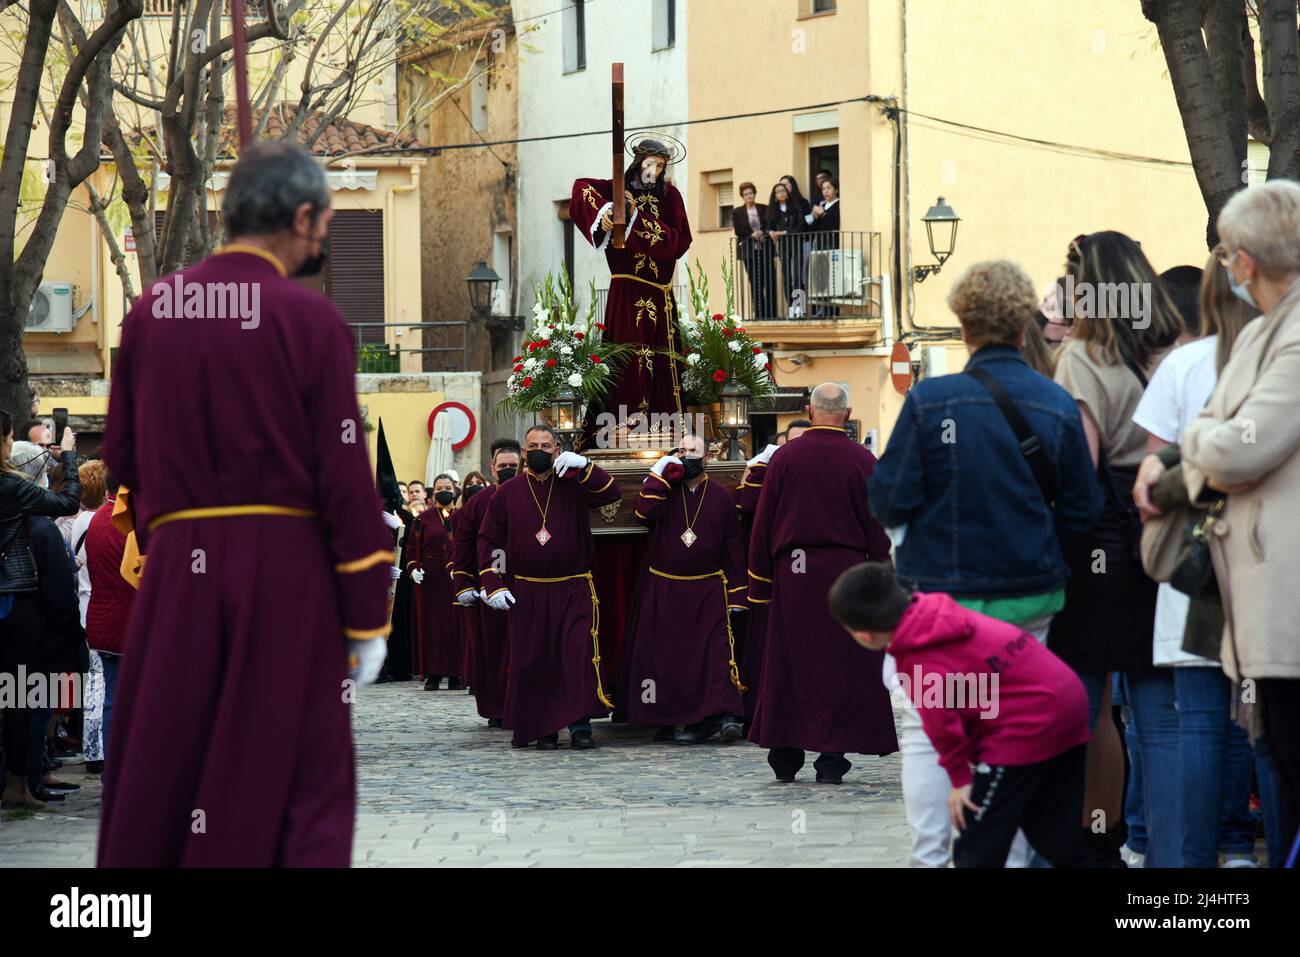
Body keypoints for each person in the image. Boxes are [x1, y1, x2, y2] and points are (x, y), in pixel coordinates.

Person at [96, 142, 393, 867]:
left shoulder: (150, 312)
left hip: (176, 584)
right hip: (284, 583)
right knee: (291, 772)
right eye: (323, 224)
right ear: (301, 217)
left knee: (168, 766)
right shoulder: (313, 321)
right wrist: (367, 615)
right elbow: (346, 483)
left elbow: (123, 464)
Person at [868, 260, 1102, 866]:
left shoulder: (929, 400)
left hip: (937, 603)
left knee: (927, 731)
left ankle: (933, 859)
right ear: (1026, 322)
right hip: (1028, 598)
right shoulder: (1053, 401)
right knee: (1017, 732)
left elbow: (888, 497)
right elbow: (1084, 510)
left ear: (963, 324)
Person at [1147, 180, 1300, 868]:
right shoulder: (1262, 331)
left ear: (1247, 260)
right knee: (1264, 739)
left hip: (1281, 586)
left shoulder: (1291, 334)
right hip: (1247, 583)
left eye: (1230, 252)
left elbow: (1244, 443)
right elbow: (1216, 430)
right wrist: (1208, 444)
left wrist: (1195, 453)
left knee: (1271, 744)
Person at [1048, 230, 1183, 866]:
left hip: (1101, 537)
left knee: (1078, 703)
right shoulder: (1175, 350)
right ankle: (1171, 859)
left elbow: (1082, 464)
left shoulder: (1082, 356)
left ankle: (1082, 848)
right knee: (1161, 717)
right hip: (1166, 531)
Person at [829, 563, 1094, 868]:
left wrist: (959, 780)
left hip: (1026, 728)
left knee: (976, 848)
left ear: (863, 636)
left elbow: (941, 725)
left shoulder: (916, 657)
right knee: (1053, 836)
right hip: (1068, 702)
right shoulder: (935, 611)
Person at [1131, 256, 1263, 868]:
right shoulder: (1278, 360)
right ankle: (1243, 848)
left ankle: (1188, 872)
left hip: (1196, 563)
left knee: (1202, 725)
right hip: (1268, 562)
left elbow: (1152, 483)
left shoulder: (1183, 365)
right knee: (1261, 727)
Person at [746, 382, 898, 783]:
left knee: (790, 661)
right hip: (845, 574)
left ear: (810, 412)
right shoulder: (863, 460)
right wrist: (881, 581)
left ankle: (785, 751)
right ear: (846, 415)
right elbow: (878, 527)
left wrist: (759, 584)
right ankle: (831, 755)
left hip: (792, 577)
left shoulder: (783, 458)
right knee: (838, 664)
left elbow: (763, 524)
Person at [477, 426, 621, 749]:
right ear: (525, 452)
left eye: (546, 445)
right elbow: (488, 540)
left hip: (572, 588)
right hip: (527, 591)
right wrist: (493, 583)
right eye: (533, 445)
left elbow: (612, 493)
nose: (539, 450)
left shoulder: (573, 485)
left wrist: (584, 465)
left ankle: (580, 724)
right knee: (535, 660)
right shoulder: (507, 492)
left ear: (557, 451)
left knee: (576, 654)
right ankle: (544, 728)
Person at [629, 434, 747, 744]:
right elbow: (643, 515)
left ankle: (708, 719)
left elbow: (733, 546)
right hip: (666, 586)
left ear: (707, 457)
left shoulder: (721, 495)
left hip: (708, 587)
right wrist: (658, 475)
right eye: (681, 451)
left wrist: (737, 593)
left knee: (708, 656)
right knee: (667, 657)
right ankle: (669, 719)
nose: (686, 456)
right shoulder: (665, 491)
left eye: (692, 452)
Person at [569, 138, 693, 426]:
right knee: (624, 360)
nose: (655, 170)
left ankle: (665, 427)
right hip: (625, 293)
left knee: (661, 364)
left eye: (661, 165)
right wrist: (606, 213)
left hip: (659, 296)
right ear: (638, 162)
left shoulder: (670, 197)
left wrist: (635, 217)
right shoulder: (615, 189)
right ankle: (618, 428)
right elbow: (580, 189)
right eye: (651, 163)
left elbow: (680, 241)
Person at [0, 423, 82, 809]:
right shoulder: (12, 490)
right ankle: (18, 784)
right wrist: (67, 455)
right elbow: (68, 502)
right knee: (17, 697)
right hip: (15, 601)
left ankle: (16, 783)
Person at [451, 439, 521, 728]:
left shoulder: (536, 497)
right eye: (502, 466)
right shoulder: (478, 503)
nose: (507, 470)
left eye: (512, 466)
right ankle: (497, 707)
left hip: (527, 583)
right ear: (492, 467)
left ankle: (526, 704)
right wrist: (465, 583)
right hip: (488, 586)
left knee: (525, 649)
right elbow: (463, 547)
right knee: (493, 649)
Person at [81, 472, 136, 782]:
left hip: (101, 620)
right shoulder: (127, 522)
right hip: (128, 622)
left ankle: (111, 773)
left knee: (112, 699)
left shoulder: (98, 519)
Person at [411, 473, 462, 691]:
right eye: (440, 487)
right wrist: (414, 567)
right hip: (432, 578)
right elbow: (413, 548)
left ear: (455, 489)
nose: (444, 490)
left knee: (455, 625)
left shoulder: (462, 515)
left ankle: (456, 674)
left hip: (455, 577)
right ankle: (433, 673)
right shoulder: (423, 518)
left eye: (448, 487)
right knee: (433, 626)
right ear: (433, 491)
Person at [766, 179, 810, 316]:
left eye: (783, 190)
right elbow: (767, 226)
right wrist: (770, 232)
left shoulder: (796, 206)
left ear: (787, 193)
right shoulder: (772, 210)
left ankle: (800, 308)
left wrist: (785, 233)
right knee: (786, 276)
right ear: (774, 195)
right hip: (784, 246)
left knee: (797, 275)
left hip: (796, 242)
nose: (781, 193)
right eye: (778, 191)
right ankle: (791, 306)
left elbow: (801, 225)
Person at [732, 181, 776, 318]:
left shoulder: (764, 208)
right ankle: (760, 313)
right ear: (742, 196)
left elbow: (770, 223)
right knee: (755, 282)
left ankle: (771, 313)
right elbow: (738, 230)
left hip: (765, 249)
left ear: (754, 194)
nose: (749, 196)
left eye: (750, 193)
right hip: (749, 252)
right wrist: (752, 235)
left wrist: (762, 232)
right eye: (746, 194)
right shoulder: (737, 212)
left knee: (769, 280)